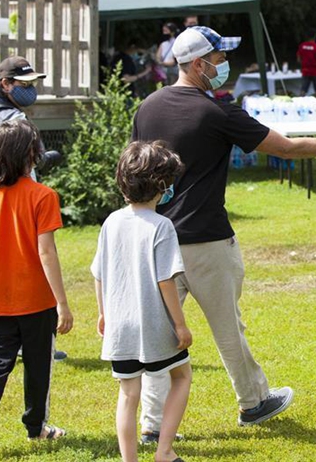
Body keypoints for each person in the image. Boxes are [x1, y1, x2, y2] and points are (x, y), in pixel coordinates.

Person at [131, 26, 316, 433]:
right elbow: (287, 148)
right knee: (228, 329)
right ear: (200, 65)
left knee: (158, 335)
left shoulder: (147, 108)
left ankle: (151, 425)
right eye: (220, 59)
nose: (226, 65)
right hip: (206, 242)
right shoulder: (217, 112)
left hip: (156, 239)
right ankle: (253, 403)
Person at [0, 119, 73, 460]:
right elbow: (46, 252)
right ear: (31, 154)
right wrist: (62, 304)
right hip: (35, 300)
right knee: (38, 366)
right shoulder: (43, 195)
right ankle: (37, 427)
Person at [0, 56, 68, 368]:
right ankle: (25, 344)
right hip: (8, 203)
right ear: (5, 84)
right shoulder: (12, 118)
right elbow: (25, 168)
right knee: (29, 269)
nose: (30, 90)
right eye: (24, 84)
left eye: (32, 84)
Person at [92, 141, 193, 462]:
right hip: (153, 325)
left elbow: (100, 274)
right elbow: (166, 280)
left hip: (119, 324)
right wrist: (180, 325)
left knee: (128, 394)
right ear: (162, 186)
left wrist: (103, 314)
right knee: (181, 376)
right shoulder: (162, 226)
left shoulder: (111, 222)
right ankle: (164, 451)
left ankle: (129, 460)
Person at [296, 31, 316, 97]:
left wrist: (303, 64)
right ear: (314, 37)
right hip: (315, 71)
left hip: (305, 70)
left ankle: (301, 103)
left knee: (303, 90)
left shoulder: (302, 46)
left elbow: (298, 59)